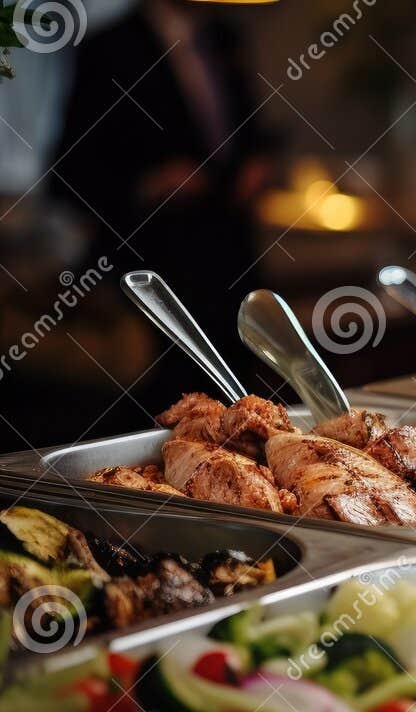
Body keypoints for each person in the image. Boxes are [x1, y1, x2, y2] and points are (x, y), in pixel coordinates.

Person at [51, 0, 274, 408]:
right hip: (152, 266)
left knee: (239, 404)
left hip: (230, 260)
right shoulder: (110, 46)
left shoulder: (223, 36)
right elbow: (67, 171)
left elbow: (251, 132)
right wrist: (148, 185)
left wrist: (257, 165)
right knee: (168, 409)